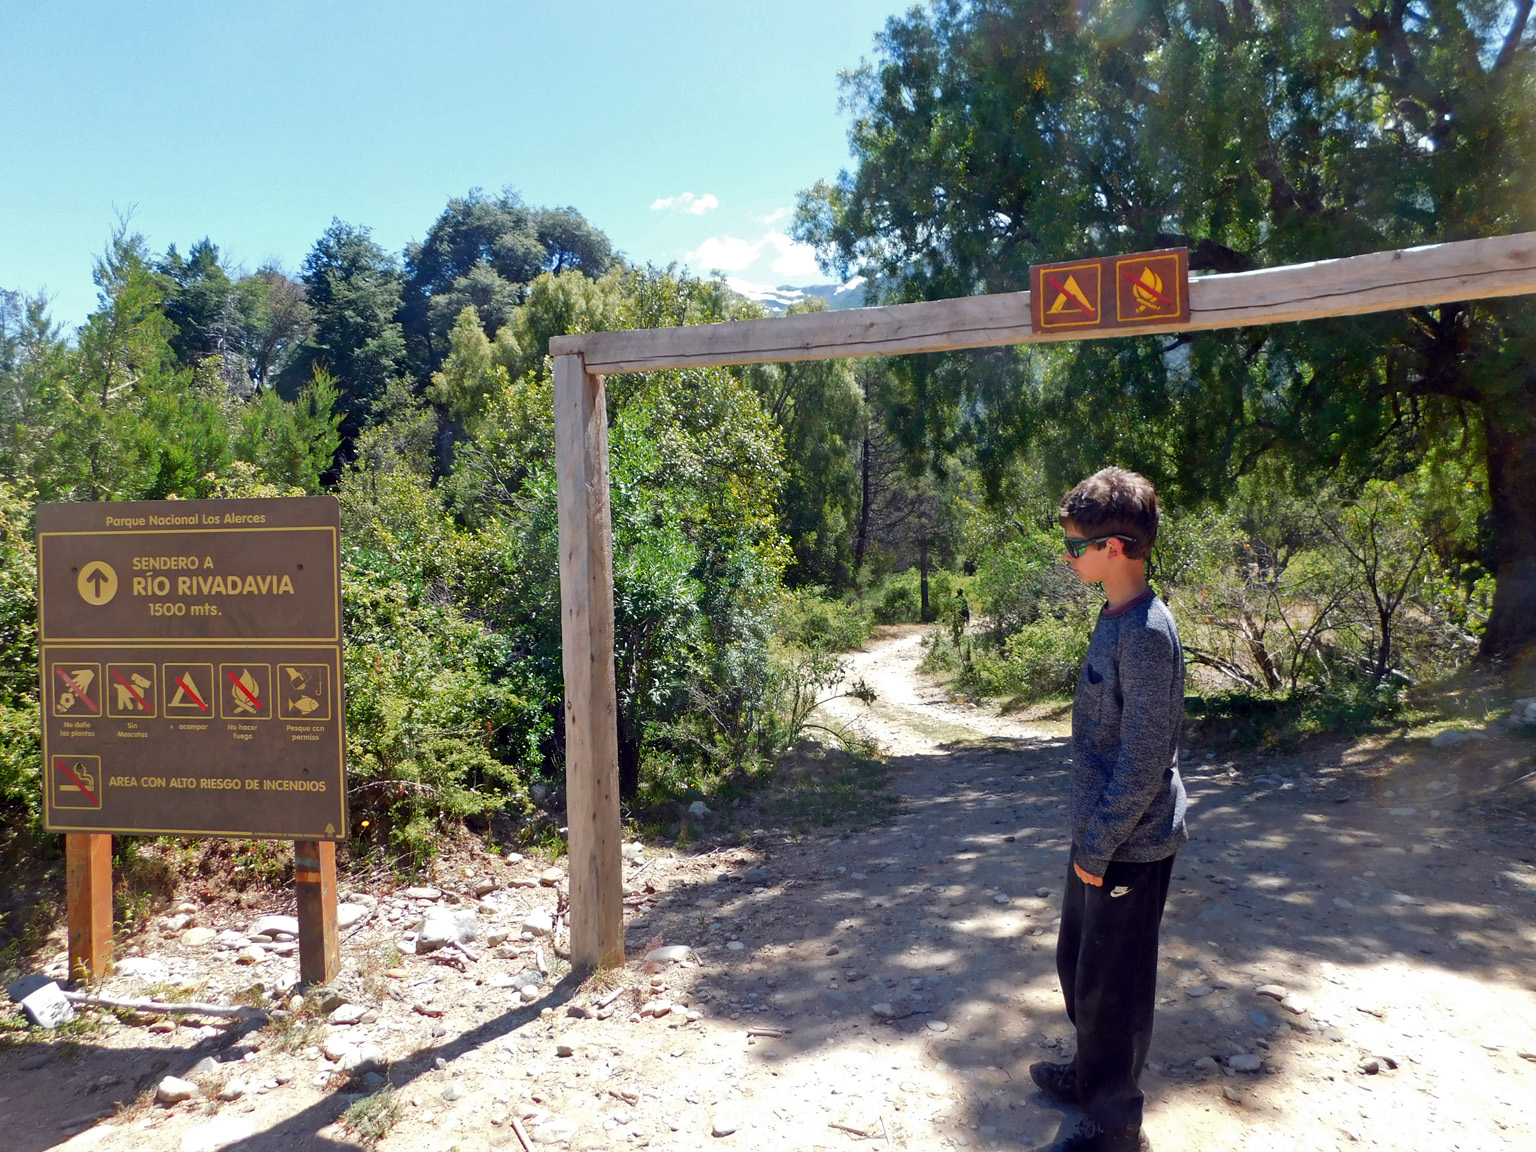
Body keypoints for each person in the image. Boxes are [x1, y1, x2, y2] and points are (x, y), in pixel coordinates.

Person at [1031, 467, 1188, 1152]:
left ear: (1116, 548)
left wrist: (1098, 845)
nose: (1067, 558)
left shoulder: (1148, 634)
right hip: (1098, 835)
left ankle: (1115, 1120)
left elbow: (1145, 758)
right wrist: (1086, 839)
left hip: (1128, 843)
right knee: (1080, 967)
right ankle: (1089, 1072)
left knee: (1115, 988)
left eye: (1075, 548)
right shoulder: (1115, 614)